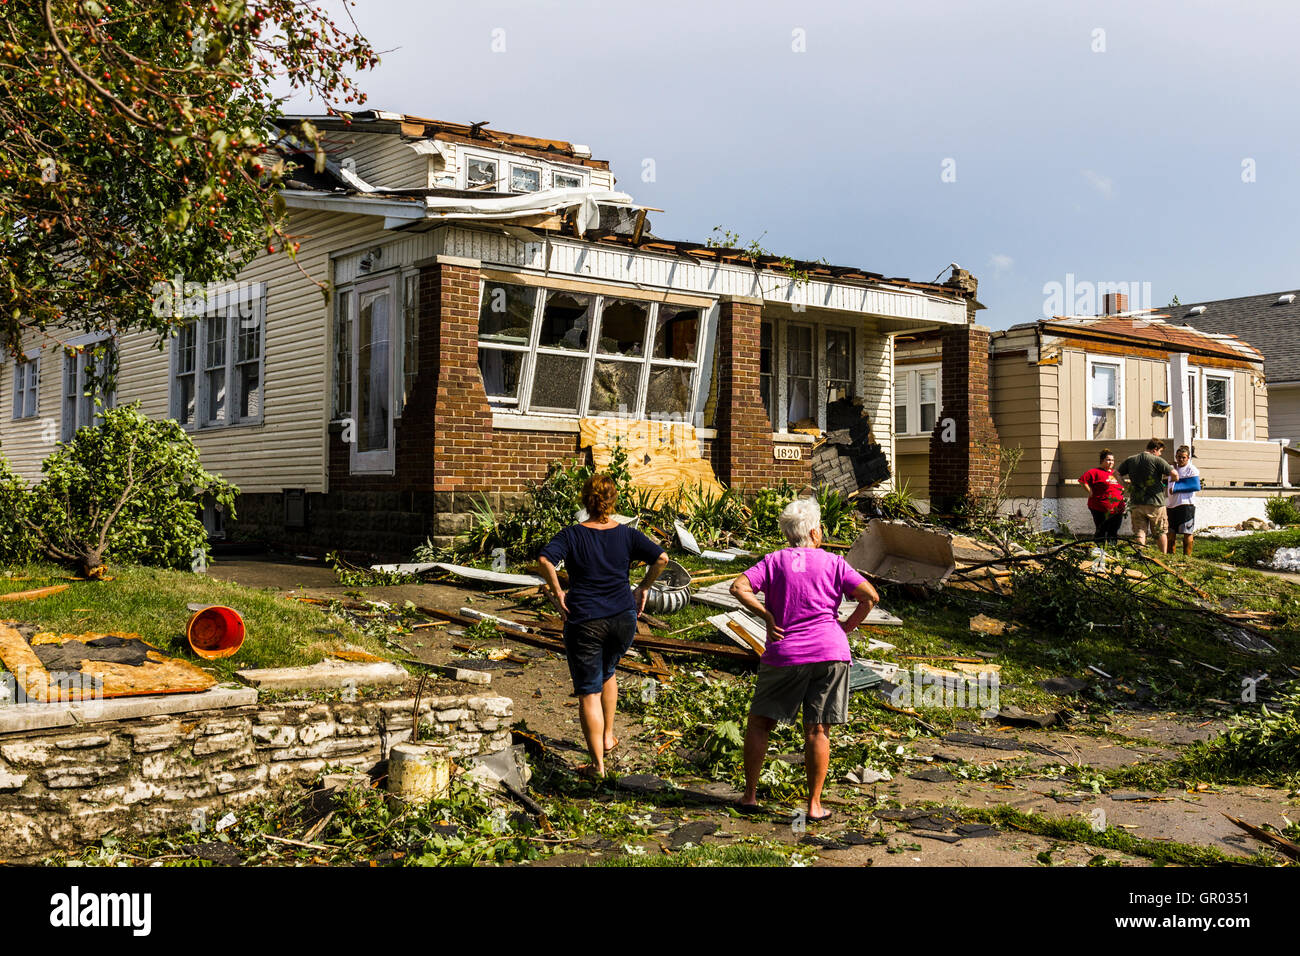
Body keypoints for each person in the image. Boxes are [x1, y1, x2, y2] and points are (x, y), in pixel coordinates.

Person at [729, 496, 880, 823]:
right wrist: (846, 628)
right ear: (815, 532)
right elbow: (870, 597)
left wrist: (767, 615)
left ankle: (750, 796)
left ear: (789, 534)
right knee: (817, 730)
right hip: (830, 652)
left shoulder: (773, 561)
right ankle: (813, 805)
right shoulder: (835, 563)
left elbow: (739, 587)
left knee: (760, 722)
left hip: (785, 653)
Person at [536, 474, 668, 778]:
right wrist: (643, 587)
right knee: (608, 671)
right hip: (623, 619)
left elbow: (544, 559)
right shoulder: (627, 535)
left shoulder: (571, 535)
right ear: (613, 501)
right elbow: (661, 557)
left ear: (586, 500)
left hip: (585, 621)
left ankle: (597, 766)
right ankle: (608, 737)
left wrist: (558, 592)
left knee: (588, 692)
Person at [1117, 438, 1176, 550]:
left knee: (1140, 531)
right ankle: (1162, 556)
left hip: (1136, 502)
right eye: (1160, 451)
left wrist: (1126, 486)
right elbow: (1175, 475)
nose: (1160, 454)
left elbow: (1116, 473)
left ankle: (1140, 555)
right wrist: (1164, 480)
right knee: (1160, 531)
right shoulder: (1157, 460)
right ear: (1155, 449)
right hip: (1156, 502)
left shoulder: (1131, 460)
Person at [1078, 448, 1124, 546]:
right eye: (1108, 460)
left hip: (1117, 509)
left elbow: (1121, 485)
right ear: (1102, 461)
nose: (1111, 462)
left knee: (1113, 530)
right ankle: (1100, 550)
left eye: (1112, 460)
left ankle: (1112, 550)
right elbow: (1082, 481)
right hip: (1099, 507)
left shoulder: (1115, 473)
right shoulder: (1095, 472)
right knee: (1101, 530)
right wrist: (1090, 491)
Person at [1166, 444, 1200, 556]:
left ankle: (1187, 557)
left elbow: (1195, 485)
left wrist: (1176, 488)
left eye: (1183, 457)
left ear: (1188, 458)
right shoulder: (1172, 469)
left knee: (1187, 532)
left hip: (1186, 505)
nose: (1180, 459)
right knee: (1170, 532)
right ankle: (1171, 555)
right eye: (1179, 457)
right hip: (1171, 505)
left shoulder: (1191, 469)